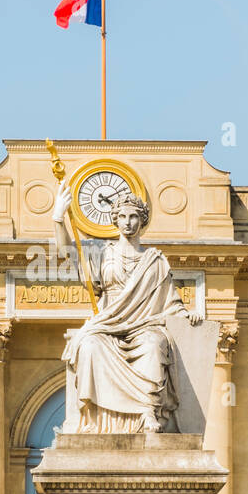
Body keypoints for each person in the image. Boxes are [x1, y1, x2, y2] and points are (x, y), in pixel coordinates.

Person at [52, 178, 202, 432]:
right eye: (122, 216)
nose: (128, 222)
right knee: (89, 344)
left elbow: (170, 302)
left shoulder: (154, 260)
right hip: (108, 325)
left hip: (144, 325)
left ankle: (147, 412)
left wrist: (188, 315)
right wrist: (58, 218)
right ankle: (91, 417)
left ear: (142, 221)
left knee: (154, 345)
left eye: (133, 217)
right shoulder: (101, 252)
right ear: (115, 220)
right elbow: (67, 252)